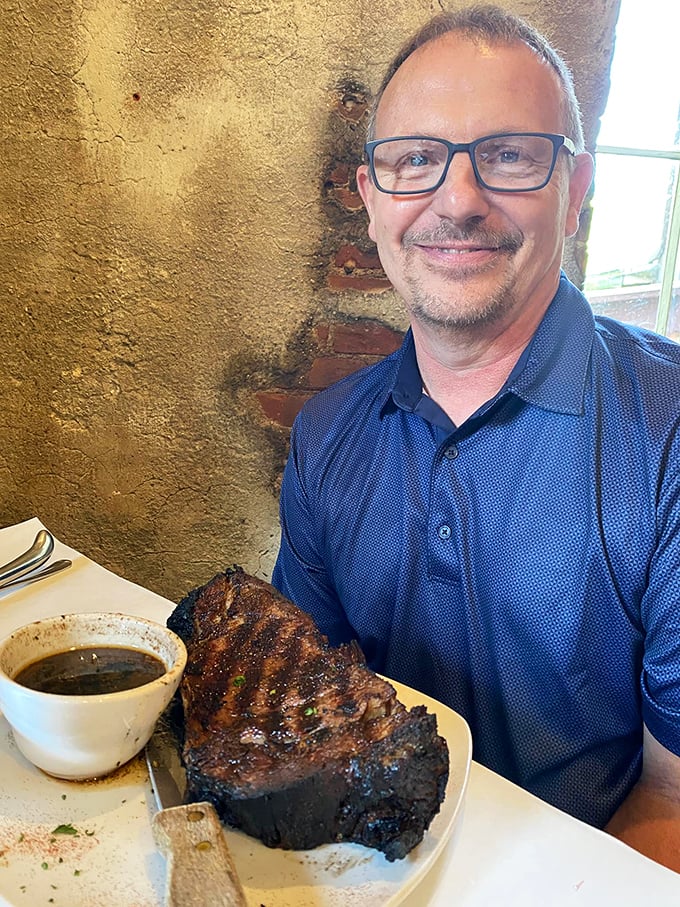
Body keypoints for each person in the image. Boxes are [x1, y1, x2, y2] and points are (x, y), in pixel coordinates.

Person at [272, 4, 680, 872]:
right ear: (372, 202)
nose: (457, 200)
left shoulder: (669, 434)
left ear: (575, 190)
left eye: (508, 156)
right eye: (416, 159)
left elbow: (674, 799)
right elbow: (303, 715)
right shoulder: (325, 436)